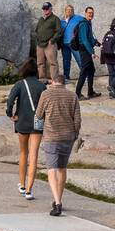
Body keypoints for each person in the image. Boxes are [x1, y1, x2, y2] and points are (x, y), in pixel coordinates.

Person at [33, 73, 80, 217]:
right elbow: (77, 119)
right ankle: (58, 199)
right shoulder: (73, 96)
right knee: (62, 169)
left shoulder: (46, 94)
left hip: (51, 137)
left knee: (52, 169)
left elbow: (39, 114)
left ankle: (57, 203)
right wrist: (75, 135)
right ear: (64, 83)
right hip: (68, 137)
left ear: (53, 82)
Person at [5, 58, 46, 201]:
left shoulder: (19, 84)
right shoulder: (42, 87)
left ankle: (22, 185)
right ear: (36, 71)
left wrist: (10, 114)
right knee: (34, 155)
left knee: (23, 152)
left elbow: (10, 100)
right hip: (37, 123)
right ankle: (29, 190)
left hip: (22, 121)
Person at [74, 6, 101, 100]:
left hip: (87, 49)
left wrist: (98, 44)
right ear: (85, 13)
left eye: (92, 13)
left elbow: (90, 38)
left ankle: (90, 92)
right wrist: (91, 53)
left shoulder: (89, 23)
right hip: (84, 49)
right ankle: (77, 94)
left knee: (91, 70)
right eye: (89, 12)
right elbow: (85, 40)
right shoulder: (84, 24)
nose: (91, 14)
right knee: (84, 72)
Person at [32, 2, 63, 82]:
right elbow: (37, 30)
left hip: (50, 44)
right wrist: (37, 39)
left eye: (46, 8)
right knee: (40, 63)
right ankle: (42, 80)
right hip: (40, 44)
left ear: (50, 9)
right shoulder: (41, 19)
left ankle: (55, 80)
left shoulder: (55, 19)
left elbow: (59, 31)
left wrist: (52, 40)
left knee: (53, 63)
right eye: (44, 8)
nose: (45, 10)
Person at [60, 4, 84, 82]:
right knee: (66, 61)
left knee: (79, 59)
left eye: (71, 10)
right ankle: (66, 77)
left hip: (74, 43)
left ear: (73, 11)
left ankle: (85, 76)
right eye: (67, 10)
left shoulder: (77, 18)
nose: (69, 11)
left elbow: (86, 22)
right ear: (65, 11)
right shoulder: (61, 21)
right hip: (64, 44)